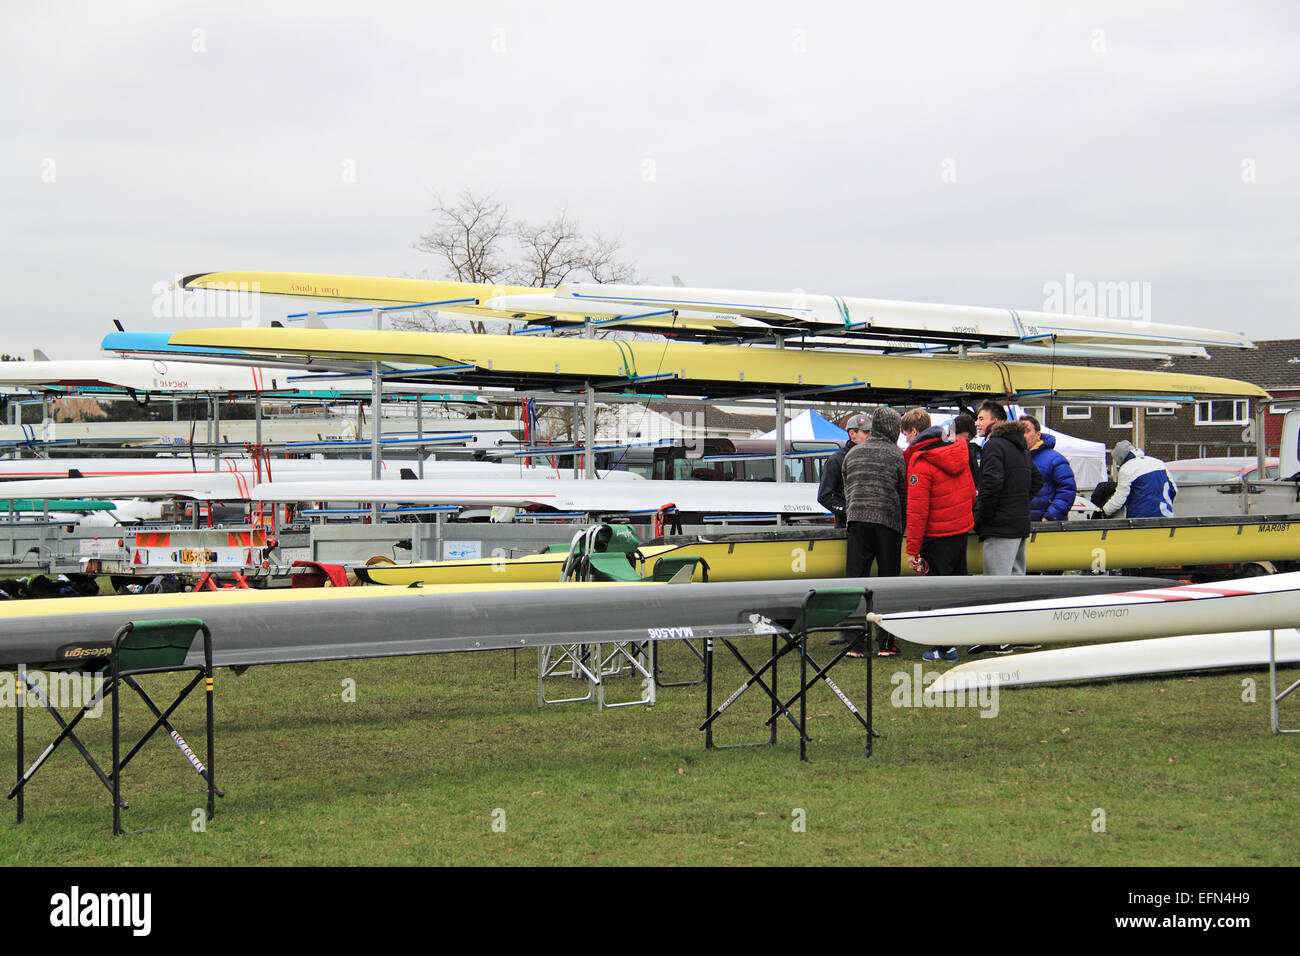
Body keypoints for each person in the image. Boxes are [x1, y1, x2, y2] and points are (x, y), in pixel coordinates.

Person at [900, 407, 976, 662]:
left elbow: (917, 509)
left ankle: (942, 646)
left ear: (913, 432)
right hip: (960, 530)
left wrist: (913, 549)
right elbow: (970, 491)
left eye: (907, 436)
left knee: (935, 591)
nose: (907, 442)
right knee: (956, 588)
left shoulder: (920, 461)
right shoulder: (958, 450)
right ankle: (954, 640)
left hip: (936, 534)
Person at [842, 406, 907, 656]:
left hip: (857, 520)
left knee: (856, 582)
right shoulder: (896, 455)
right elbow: (903, 494)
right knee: (888, 582)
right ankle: (887, 643)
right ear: (892, 428)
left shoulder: (854, 453)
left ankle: (855, 644)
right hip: (887, 522)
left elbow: (847, 485)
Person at [973, 401, 1042, 577]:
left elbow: (991, 485)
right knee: (1016, 584)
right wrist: (1018, 503)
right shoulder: (1020, 447)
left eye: (981, 418)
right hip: (1019, 525)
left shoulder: (994, 445)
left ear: (995, 421)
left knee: (997, 587)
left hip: (1000, 527)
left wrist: (981, 517)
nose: (976, 423)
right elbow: (1037, 480)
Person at [817, 412, 870, 527]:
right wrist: (848, 512)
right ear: (852, 433)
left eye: (870, 432)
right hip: (846, 526)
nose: (869, 435)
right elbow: (824, 496)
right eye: (865, 432)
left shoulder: (872, 457)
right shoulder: (836, 460)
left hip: (870, 524)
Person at [1103, 440, 1178, 518]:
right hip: (1166, 517)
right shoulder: (1160, 463)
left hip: (1139, 519)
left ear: (1120, 458)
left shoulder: (1127, 468)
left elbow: (1119, 499)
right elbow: (1174, 490)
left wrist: (1104, 511)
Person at [1022, 415, 1077, 522]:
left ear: (1038, 434)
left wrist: (1050, 516)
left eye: (1026, 431)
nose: (1022, 435)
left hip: (1046, 527)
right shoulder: (1014, 458)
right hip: (1020, 526)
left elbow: (1067, 489)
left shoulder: (1055, 459)